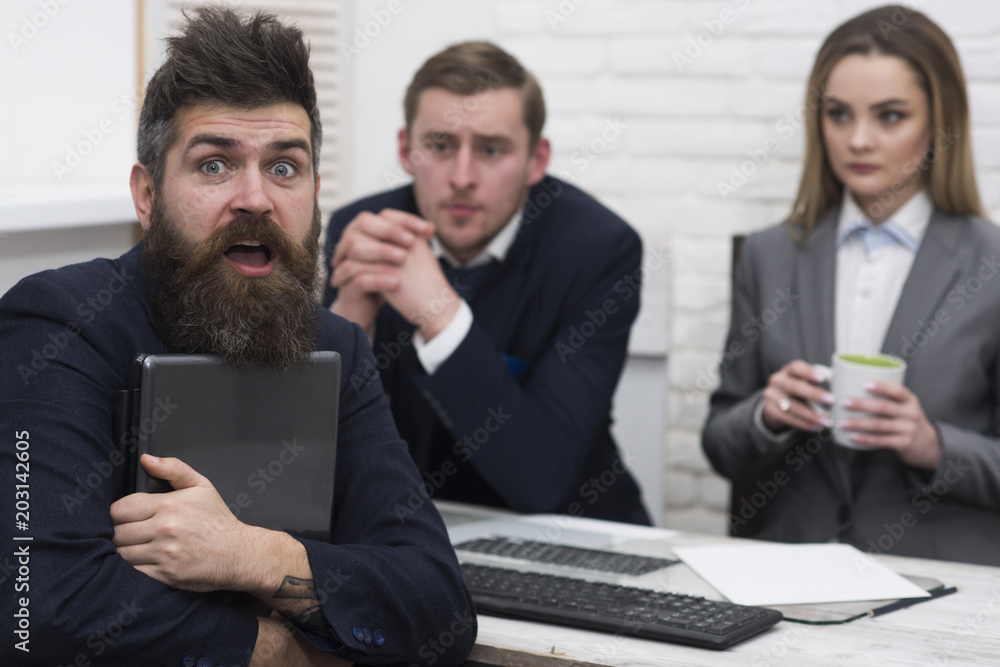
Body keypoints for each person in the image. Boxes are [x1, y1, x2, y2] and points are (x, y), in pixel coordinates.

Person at [0, 8, 475, 666]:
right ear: (147, 194)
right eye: (216, 164)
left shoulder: (337, 346)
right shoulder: (60, 324)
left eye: (285, 168)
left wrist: (254, 555)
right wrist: (288, 650)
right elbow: (40, 612)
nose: (256, 198)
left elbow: (439, 607)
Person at [702, 5, 1000, 566]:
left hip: (943, 584)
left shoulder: (992, 265)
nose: (858, 139)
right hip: (793, 573)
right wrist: (767, 414)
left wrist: (932, 444)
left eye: (890, 116)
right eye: (838, 114)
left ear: (940, 122)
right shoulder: (769, 255)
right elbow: (719, 442)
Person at [323, 41, 650, 525]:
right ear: (405, 150)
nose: (462, 177)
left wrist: (440, 314)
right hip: (415, 537)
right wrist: (348, 328)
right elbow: (318, 458)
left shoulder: (599, 249)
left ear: (537, 160)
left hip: (571, 539)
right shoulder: (364, 228)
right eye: (439, 145)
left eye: (491, 150)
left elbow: (539, 479)